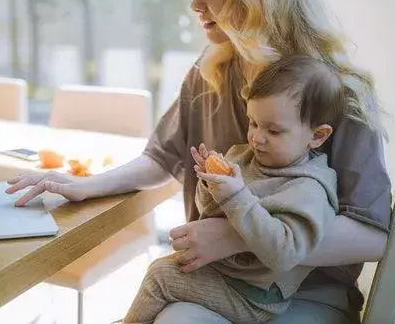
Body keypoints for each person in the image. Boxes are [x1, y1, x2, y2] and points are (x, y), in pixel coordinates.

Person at [6, 0, 391, 323]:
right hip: (219, 278)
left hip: (306, 294)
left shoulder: (336, 92)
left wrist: (236, 235)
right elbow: (162, 159)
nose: (195, 4)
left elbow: (372, 236)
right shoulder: (208, 72)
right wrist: (88, 185)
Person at [122, 55, 344, 324]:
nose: (256, 138)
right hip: (225, 274)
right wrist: (210, 183)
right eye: (253, 123)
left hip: (254, 295)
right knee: (164, 267)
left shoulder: (309, 188)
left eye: (273, 131)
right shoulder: (244, 156)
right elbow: (211, 213)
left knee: (160, 277)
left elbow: (284, 253)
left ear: (317, 136)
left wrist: (236, 196)